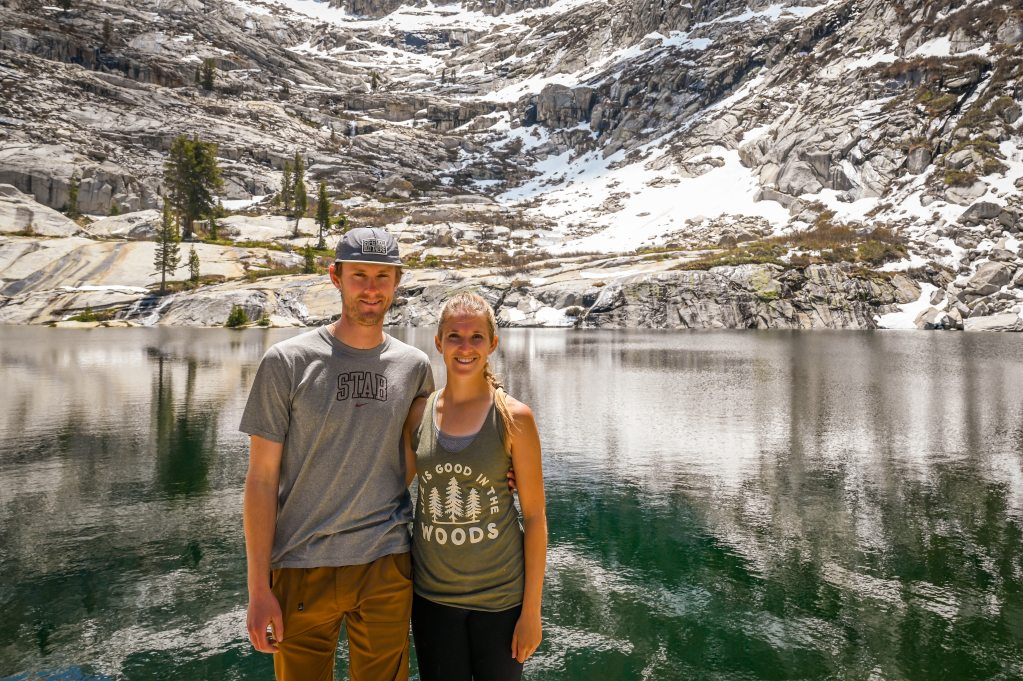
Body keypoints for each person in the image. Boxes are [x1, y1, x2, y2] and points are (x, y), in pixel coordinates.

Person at [240, 227, 433, 681]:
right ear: (335, 277)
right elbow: (262, 480)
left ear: (397, 281)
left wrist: (506, 472)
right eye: (359, 275)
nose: (371, 288)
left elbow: (426, 452)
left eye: (382, 276)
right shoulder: (286, 362)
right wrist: (257, 589)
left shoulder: (415, 367)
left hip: (386, 564)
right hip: (302, 563)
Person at [403, 292, 547, 681]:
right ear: (438, 342)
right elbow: (389, 488)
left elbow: (534, 518)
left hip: (501, 600)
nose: (465, 348)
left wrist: (531, 612)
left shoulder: (515, 418)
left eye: (476, 337)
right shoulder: (418, 414)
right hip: (432, 599)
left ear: (493, 343)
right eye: (454, 336)